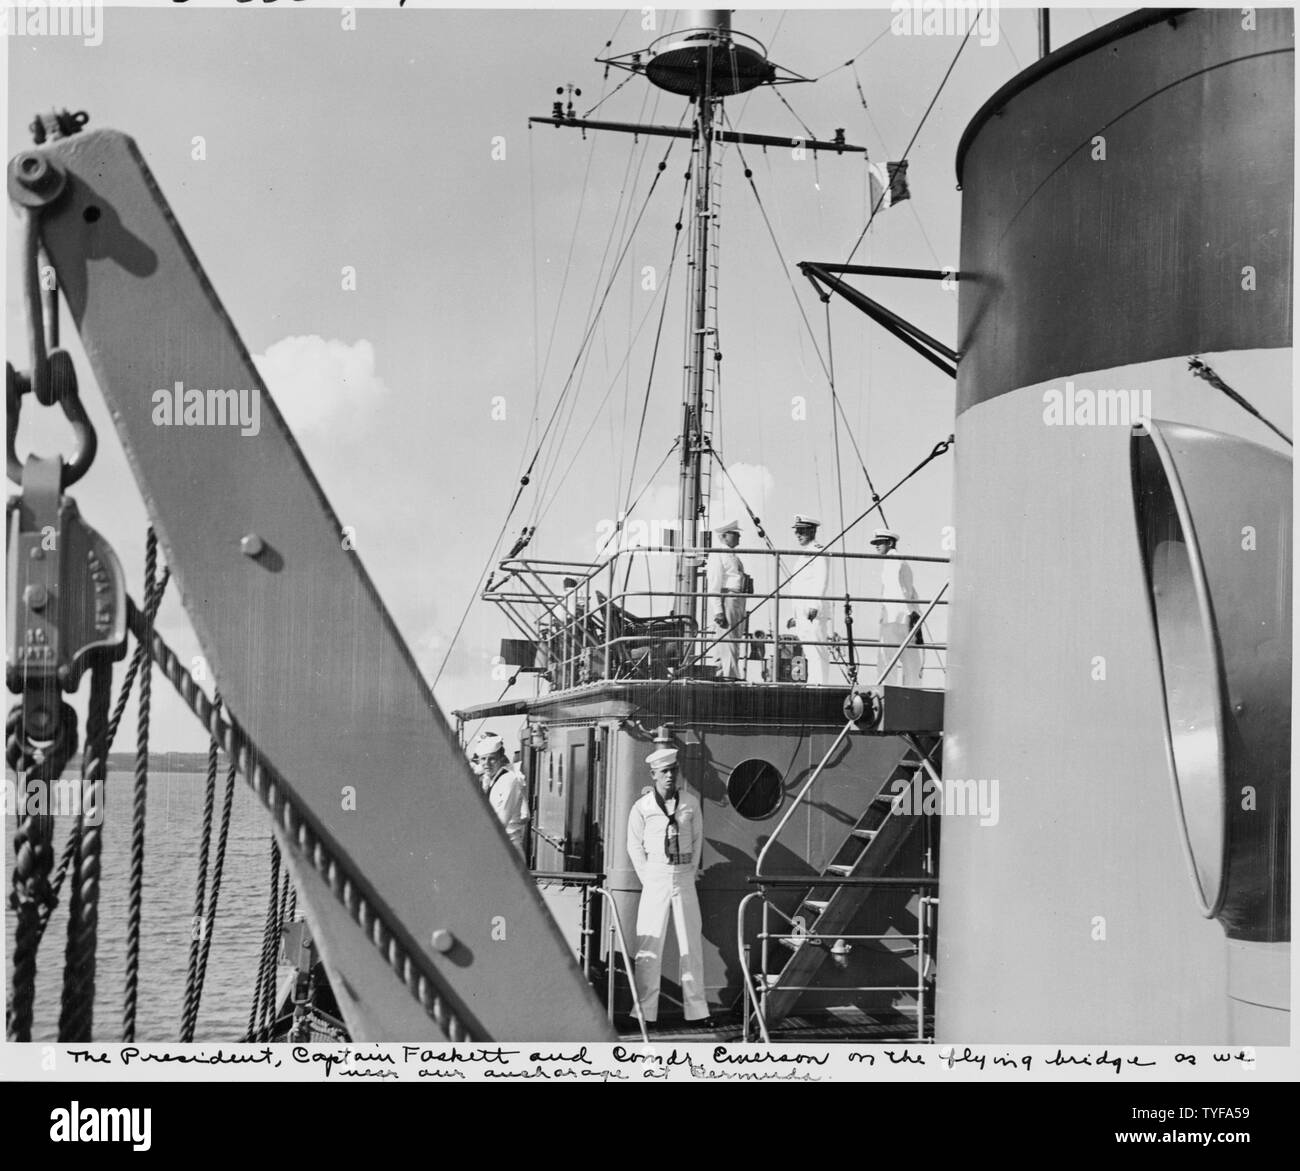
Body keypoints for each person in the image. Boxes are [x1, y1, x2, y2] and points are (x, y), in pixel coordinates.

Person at [627, 747, 712, 1027]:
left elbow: (698, 840)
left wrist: (687, 871)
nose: (669, 776)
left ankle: (697, 1012)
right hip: (656, 876)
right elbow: (634, 846)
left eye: (673, 770)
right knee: (649, 944)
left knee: (691, 945)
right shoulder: (643, 808)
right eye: (664, 772)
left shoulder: (690, 803)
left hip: (684, 875)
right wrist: (649, 877)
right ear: (653, 775)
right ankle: (644, 1012)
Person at [871, 528, 922, 686]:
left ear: (890, 543)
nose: (877, 546)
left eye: (880, 542)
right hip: (906, 616)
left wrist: (890, 614)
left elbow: (898, 590)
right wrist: (913, 613)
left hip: (894, 619)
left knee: (886, 660)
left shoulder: (892, 561)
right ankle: (915, 692)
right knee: (910, 661)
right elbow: (910, 591)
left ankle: (886, 693)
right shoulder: (902, 561)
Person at [788, 514, 831, 685]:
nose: (798, 535)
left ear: (812, 531)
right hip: (802, 613)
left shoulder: (818, 551)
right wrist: (795, 615)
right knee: (809, 652)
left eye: (802, 531)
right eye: (797, 531)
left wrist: (814, 605)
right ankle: (814, 685)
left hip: (813, 612)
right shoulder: (804, 555)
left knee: (817, 651)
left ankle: (820, 686)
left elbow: (822, 580)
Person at [474, 731, 529, 853]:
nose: (486, 763)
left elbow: (502, 820)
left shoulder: (509, 780)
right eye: (483, 759)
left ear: (501, 759)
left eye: (492, 759)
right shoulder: (493, 780)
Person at [706, 519, 748, 680]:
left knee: (733, 639)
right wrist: (718, 611)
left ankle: (722, 674)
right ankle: (731, 677)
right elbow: (714, 583)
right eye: (735, 534)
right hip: (728, 599)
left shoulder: (732, 555)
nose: (739, 537)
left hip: (737, 599)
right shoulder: (718, 554)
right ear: (724, 536)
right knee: (728, 640)